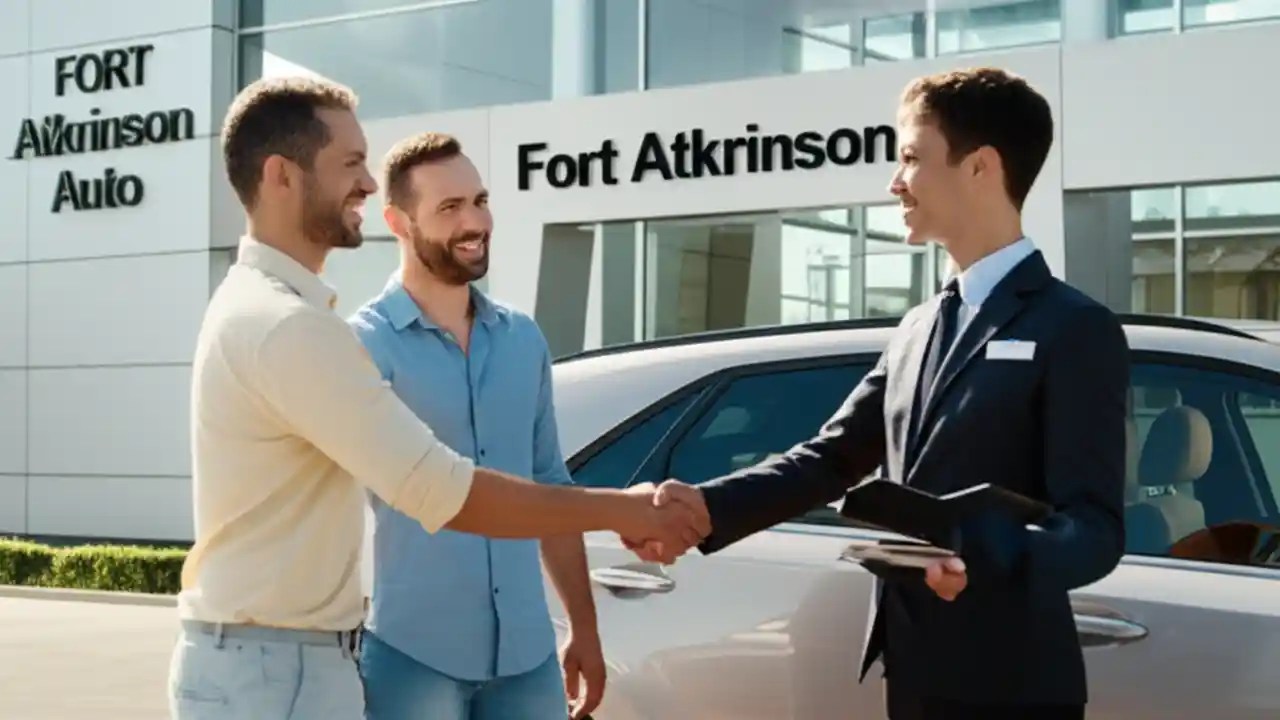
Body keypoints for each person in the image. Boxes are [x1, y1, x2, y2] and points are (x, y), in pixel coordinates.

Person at [170, 76, 708, 720]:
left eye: (479, 200)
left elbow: (541, 477)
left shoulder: (277, 311)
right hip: (289, 669)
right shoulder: (298, 328)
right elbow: (439, 489)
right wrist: (630, 511)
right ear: (283, 176)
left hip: (299, 662)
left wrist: (583, 621)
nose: (366, 184)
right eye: (349, 164)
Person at [632, 67, 1130, 719]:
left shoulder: (1075, 328)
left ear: (980, 167)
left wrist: (983, 557)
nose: (895, 182)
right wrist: (705, 506)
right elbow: (833, 458)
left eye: (911, 158)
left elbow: (1093, 527)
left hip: (1014, 684)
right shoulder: (918, 325)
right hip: (915, 669)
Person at [346, 132, 604, 720]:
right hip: (412, 660)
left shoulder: (522, 340)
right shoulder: (364, 345)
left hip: (528, 661)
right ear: (398, 222)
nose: (475, 221)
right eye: (449, 207)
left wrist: (584, 628)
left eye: (480, 200)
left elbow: (550, 489)